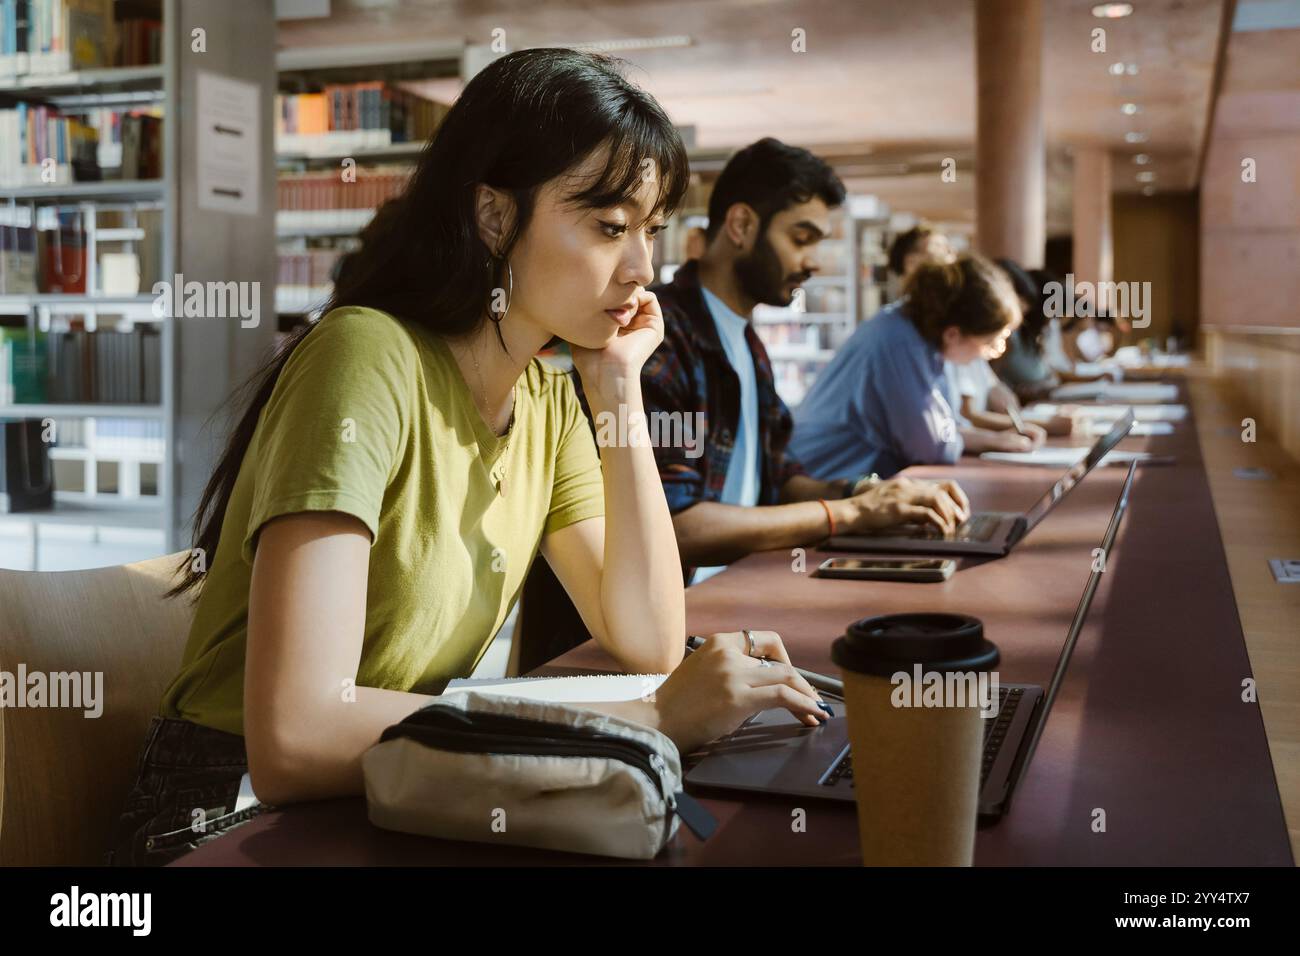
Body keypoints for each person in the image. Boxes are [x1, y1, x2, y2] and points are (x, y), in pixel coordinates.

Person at [105, 50, 827, 866]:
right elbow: (295, 736)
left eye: (652, 231)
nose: (642, 270)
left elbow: (649, 640)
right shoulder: (366, 356)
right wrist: (649, 719)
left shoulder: (551, 399)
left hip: (394, 788)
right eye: (609, 226)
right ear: (492, 215)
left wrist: (618, 388)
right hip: (221, 816)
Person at [631, 138, 969, 585]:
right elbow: (674, 525)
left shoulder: (748, 342)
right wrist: (848, 512)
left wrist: (868, 491)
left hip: (731, 597)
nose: (812, 263)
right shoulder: (661, 336)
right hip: (657, 629)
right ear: (741, 225)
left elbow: (781, 478)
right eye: (800, 238)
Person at [789, 255, 1025, 481]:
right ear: (954, 334)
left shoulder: (917, 338)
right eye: (989, 343)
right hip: (822, 479)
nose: (995, 352)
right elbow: (930, 446)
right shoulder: (899, 344)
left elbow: (943, 428)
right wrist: (993, 441)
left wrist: (995, 439)